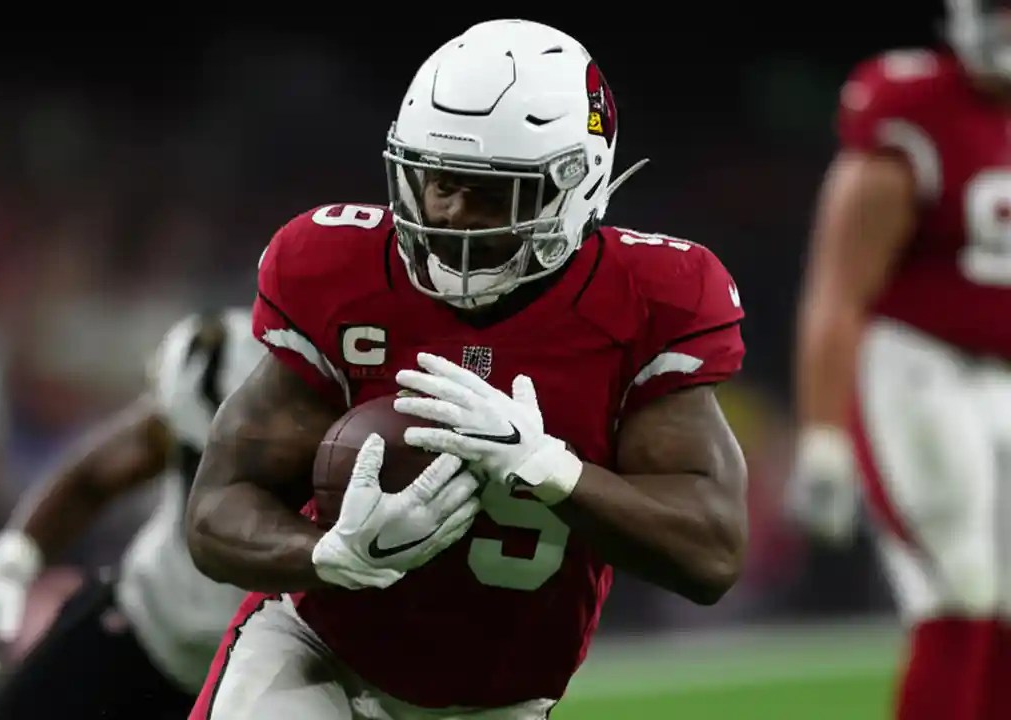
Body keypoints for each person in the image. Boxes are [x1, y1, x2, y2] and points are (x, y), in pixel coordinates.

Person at [184, 19, 749, 720]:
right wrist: (326, 553)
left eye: (490, 192)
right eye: (436, 181)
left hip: (498, 702)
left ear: (574, 184)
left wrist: (550, 469)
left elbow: (712, 553)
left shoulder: (650, 299)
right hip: (315, 650)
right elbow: (214, 510)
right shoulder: (338, 269)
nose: (449, 212)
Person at [788, 3, 1011, 719]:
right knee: (961, 587)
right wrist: (823, 438)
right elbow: (838, 286)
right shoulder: (914, 109)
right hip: (918, 369)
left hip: (1001, 380)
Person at [0, 308, 264, 720]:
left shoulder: (351, 426)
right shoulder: (215, 372)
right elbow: (95, 477)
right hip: (150, 626)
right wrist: (11, 563)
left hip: (266, 675)